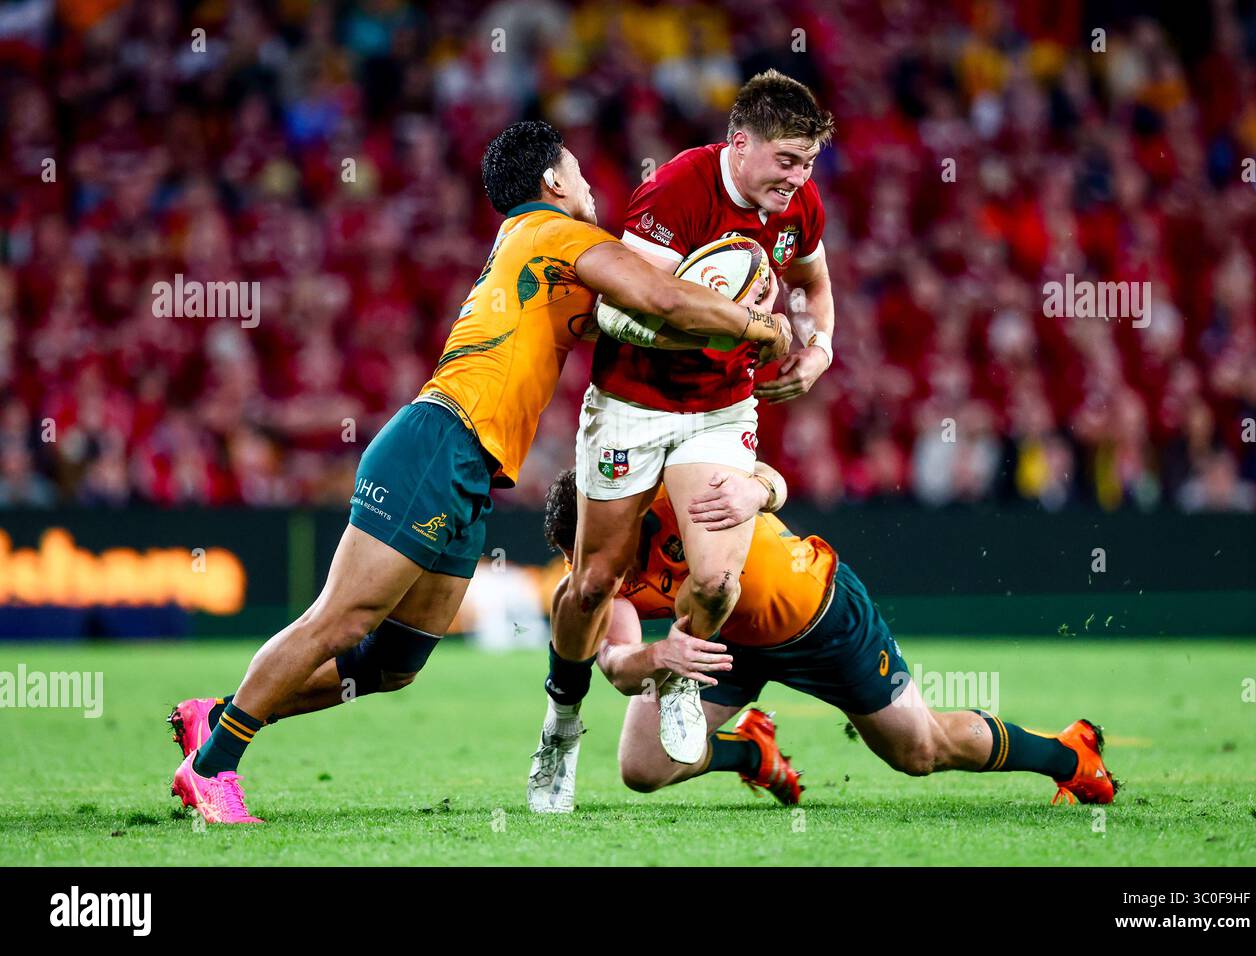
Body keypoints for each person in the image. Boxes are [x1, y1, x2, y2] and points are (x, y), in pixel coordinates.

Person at [167, 120, 791, 823]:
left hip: (471, 465)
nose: (590, 185)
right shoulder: (557, 234)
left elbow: (643, 322)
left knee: (393, 661)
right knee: (341, 619)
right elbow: (664, 298)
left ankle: (218, 718)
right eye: (579, 171)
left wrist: (718, 324)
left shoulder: (539, 251)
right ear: (553, 181)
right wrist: (759, 329)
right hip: (440, 439)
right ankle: (215, 766)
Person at [531, 69, 838, 813]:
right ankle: (560, 729)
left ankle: (677, 685)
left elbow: (814, 283)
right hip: (633, 405)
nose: (799, 180)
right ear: (741, 144)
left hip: (720, 410)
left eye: (809, 163)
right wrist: (754, 325)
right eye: (787, 161)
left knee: (715, 581)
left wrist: (820, 347)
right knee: (595, 582)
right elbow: (643, 310)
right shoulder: (674, 193)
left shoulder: (798, 206)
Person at [538, 466, 1119, 809]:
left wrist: (759, 492)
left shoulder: (672, 486)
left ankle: (1068, 754)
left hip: (818, 615)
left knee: (919, 752)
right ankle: (752, 752)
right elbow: (614, 663)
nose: (580, 567)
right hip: (719, 643)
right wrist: (659, 655)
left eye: (583, 547)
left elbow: (769, 477)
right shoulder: (596, 574)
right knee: (642, 767)